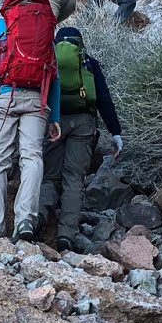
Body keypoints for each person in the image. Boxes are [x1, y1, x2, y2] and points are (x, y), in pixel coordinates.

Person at [0, 0, 64, 242]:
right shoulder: (44, 31)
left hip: (3, 98)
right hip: (36, 102)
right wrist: (55, 117)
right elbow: (53, 77)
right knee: (32, 158)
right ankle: (25, 222)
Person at [38, 26, 123, 249]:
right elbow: (103, 99)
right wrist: (115, 132)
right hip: (84, 124)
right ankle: (66, 234)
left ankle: (37, 217)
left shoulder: (49, 60)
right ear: (80, 44)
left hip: (53, 121)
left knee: (49, 177)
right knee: (73, 179)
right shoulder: (88, 63)